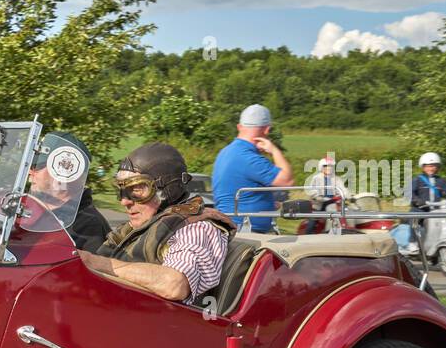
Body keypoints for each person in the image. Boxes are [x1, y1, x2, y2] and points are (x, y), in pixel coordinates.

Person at [78, 142, 235, 304]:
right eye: (122, 190)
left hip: (165, 324)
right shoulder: (137, 226)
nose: (125, 201)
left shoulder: (198, 228)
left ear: (168, 189)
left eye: (137, 189)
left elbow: (175, 284)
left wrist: (94, 262)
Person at [212, 104, 294, 232]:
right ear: (267, 130)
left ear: (239, 127)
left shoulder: (225, 152)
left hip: (229, 227)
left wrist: (269, 203)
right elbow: (287, 181)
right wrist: (274, 150)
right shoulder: (249, 158)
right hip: (246, 232)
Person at [26, 131, 110, 252]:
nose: (30, 172)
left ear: (66, 172)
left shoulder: (89, 225)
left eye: (38, 166)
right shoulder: (34, 212)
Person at [393, 152, 446, 252]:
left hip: (437, 211)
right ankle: (412, 242)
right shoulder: (418, 180)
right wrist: (416, 200)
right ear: (423, 167)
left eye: (434, 166)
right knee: (415, 220)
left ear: (438, 167)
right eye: (429, 166)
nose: (431, 168)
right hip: (420, 209)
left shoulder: (442, 181)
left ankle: (441, 241)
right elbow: (409, 192)